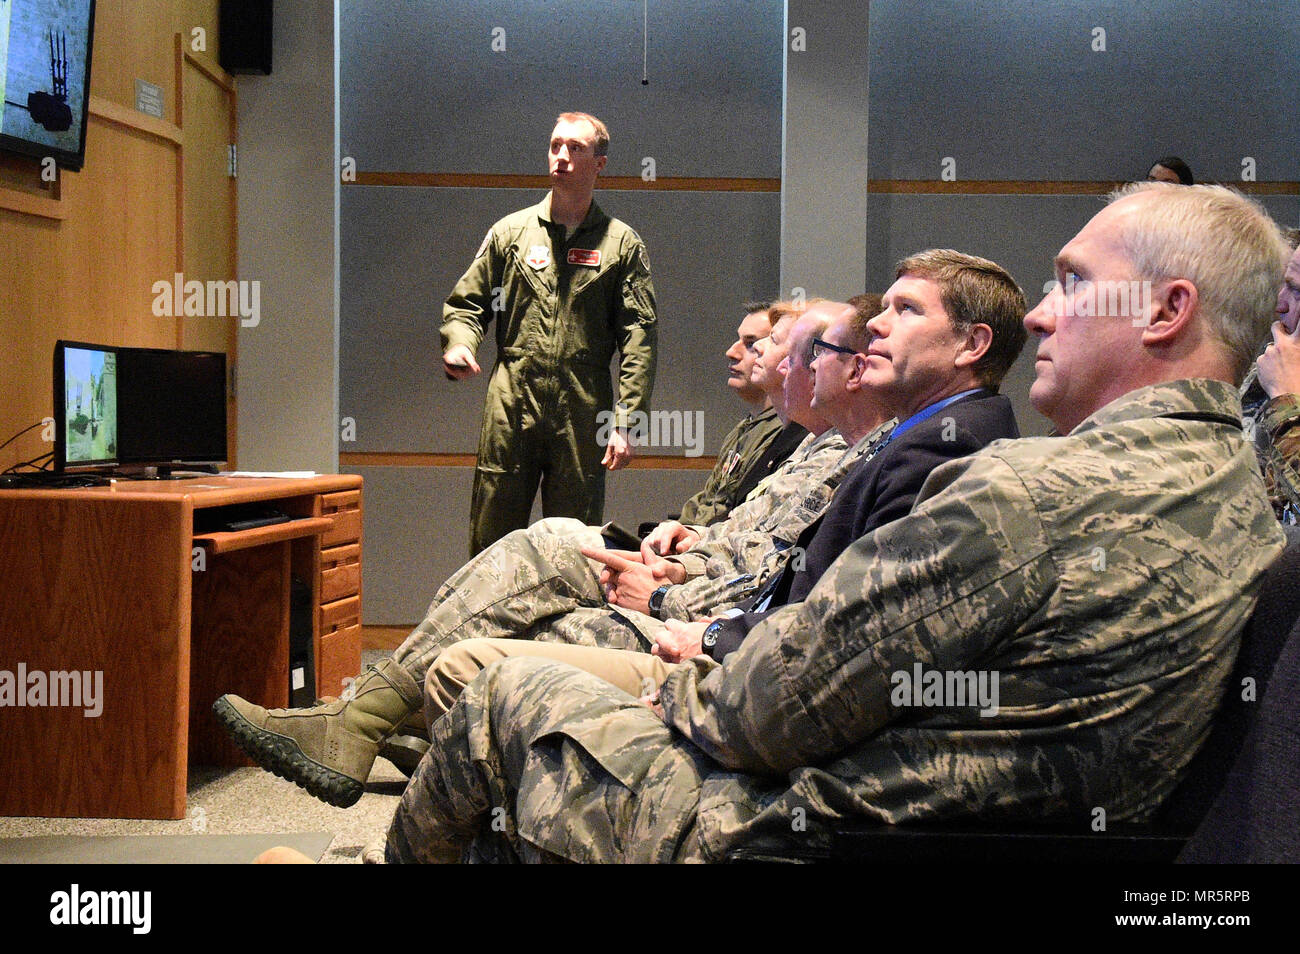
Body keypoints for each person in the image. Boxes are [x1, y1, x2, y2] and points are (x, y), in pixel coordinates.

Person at [383, 183, 1290, 863]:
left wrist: (670, 685)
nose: (1042, 315)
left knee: (503, 699)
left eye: (1072, 283)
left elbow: (767, 710)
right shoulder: (1240, 493)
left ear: (1167, 311)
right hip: (989, 828)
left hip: (797, 836)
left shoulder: (1032, 494)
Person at [213, 304, 864, 806]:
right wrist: (681, 547)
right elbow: (735, 536)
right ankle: (371, 723)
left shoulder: (848, 451)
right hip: (691, 580)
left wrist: (667, 583)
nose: (789, 366)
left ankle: (362, 720)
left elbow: (771, 576)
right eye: (793, 351)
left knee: (550, 546)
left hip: (702, 612)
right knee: (536, 569)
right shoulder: (801, 439)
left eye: (810, 352)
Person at [419, 250, 1025, 719]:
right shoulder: (916, 437)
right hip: (742, 639)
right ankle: (372, 720)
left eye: (907, 311)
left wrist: (692, 620)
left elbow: (842, 627)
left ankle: (374, 722)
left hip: (753, 676)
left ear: (972, 344)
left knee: (487, 653)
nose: (877, 333)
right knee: (528, 594)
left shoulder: (941, 446)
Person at [441, 112, 658, 556]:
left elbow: (639, 336)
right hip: (512, 401)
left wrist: (628, 421)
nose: (561, 156)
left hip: (581, 405)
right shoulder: (512, 234)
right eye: (555, 145)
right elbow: (468, 303)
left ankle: (568, 627)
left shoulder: (621, 245)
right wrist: (461, 342)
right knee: (492, 538)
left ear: (599, 163)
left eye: (575, 148)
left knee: (575, 545)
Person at [676, 302, 789, 527]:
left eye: (750, 343)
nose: (731, 352)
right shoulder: (743, 429)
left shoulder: (789, 434)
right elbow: (710, 501)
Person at [1242, 237, 1300, 523]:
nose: (1280, 305)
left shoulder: (1283, 387)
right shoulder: (1266, 373)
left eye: (1297, 291)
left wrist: (1287, 398)